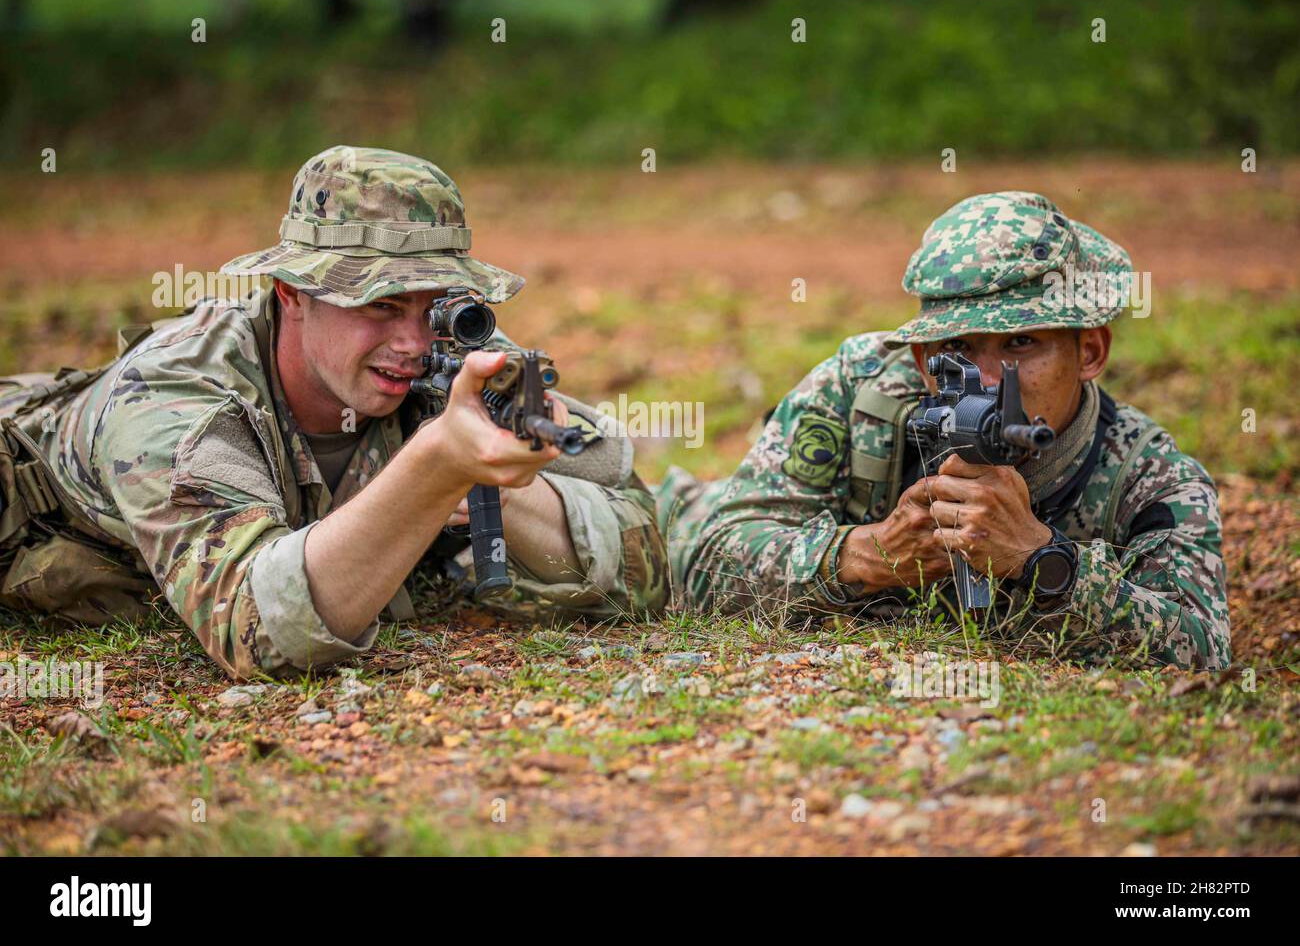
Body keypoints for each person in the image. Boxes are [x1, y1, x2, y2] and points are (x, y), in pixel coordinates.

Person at [0, 146, 668, 680]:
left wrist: (506, 486)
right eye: (380, 304)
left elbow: (644, 565)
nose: (411, 344)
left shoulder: (458, 360)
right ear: (292, 295)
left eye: (435, 307)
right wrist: (438, 466)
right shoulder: (177, 394)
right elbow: (256, 632)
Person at [660, 191, 1229, 670]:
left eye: (1021, 342)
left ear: (1090, 349)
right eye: (957, 349)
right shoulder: (862, 388)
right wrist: (866, 556)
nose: (986, 379)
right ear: (919, 356)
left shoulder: (1146, 475)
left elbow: (1202, 646)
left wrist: (1044, 564)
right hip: (674, 517)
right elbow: (711, 559)